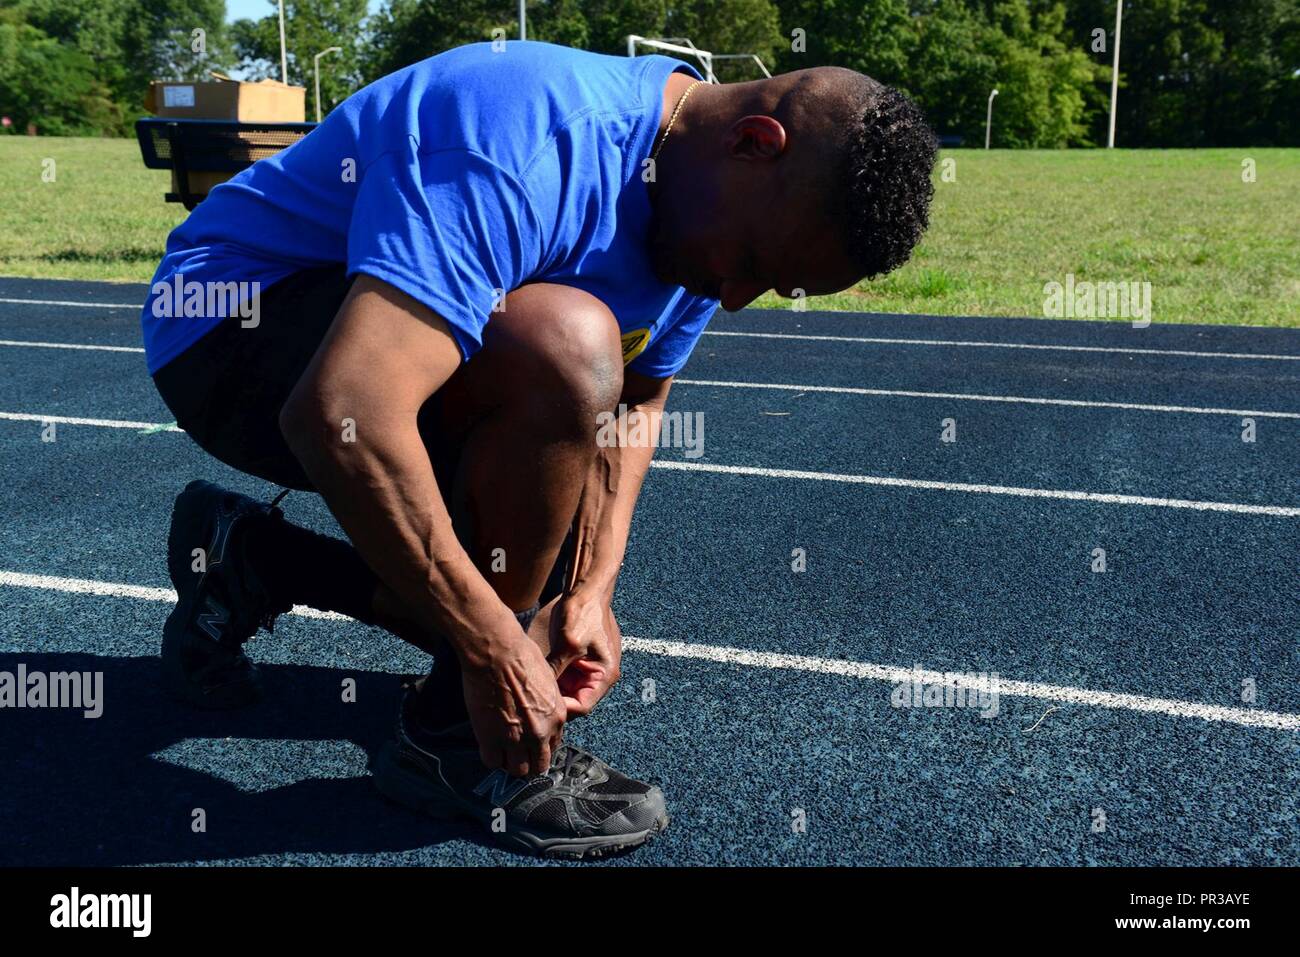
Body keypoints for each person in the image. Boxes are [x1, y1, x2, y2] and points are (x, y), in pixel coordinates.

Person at [142, 40, 937, 858]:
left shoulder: (707, 209)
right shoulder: (522, 137)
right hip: (229, 327)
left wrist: (590, 592)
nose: (733, 297)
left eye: (766, 288)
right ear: (752, 142)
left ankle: (254, 558)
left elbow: (635, 402)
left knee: (543, 608)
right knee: (564, 352)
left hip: (386, 357)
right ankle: (447, 742)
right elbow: (343, 409)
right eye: (750, 267)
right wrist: (492, 650)